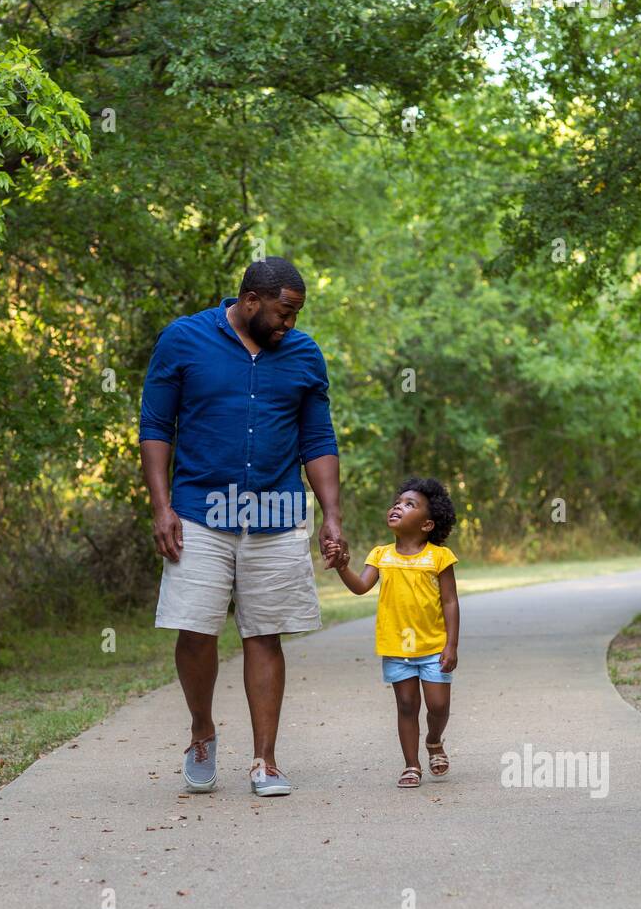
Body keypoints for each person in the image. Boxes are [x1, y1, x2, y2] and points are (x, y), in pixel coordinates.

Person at [139, 257, 348, 796]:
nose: (289, 326)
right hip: (199, 512)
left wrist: (331, 515)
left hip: (276, 514)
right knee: (195, 628)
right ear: (250, 301)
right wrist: (162, 508)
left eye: (296, 315)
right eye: (283, 313)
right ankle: (203, 730)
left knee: (265, 632)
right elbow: (156, 427)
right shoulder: (183, 340)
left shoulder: (304, 355)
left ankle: (265, 761)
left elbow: (318, 440)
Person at [326, 477, 460, 789]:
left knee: (438, 706)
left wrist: (451, 645)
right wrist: (343, 566)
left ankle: (434, 739)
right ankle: (411, 765)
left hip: (432, 645)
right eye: (398, 502)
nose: (398, 506)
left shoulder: (439, 557)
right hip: (396, 646)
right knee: (406, 705)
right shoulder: (380, 554)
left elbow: (450, 602)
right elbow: (360, 587)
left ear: (427, 524)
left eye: (409, 504)